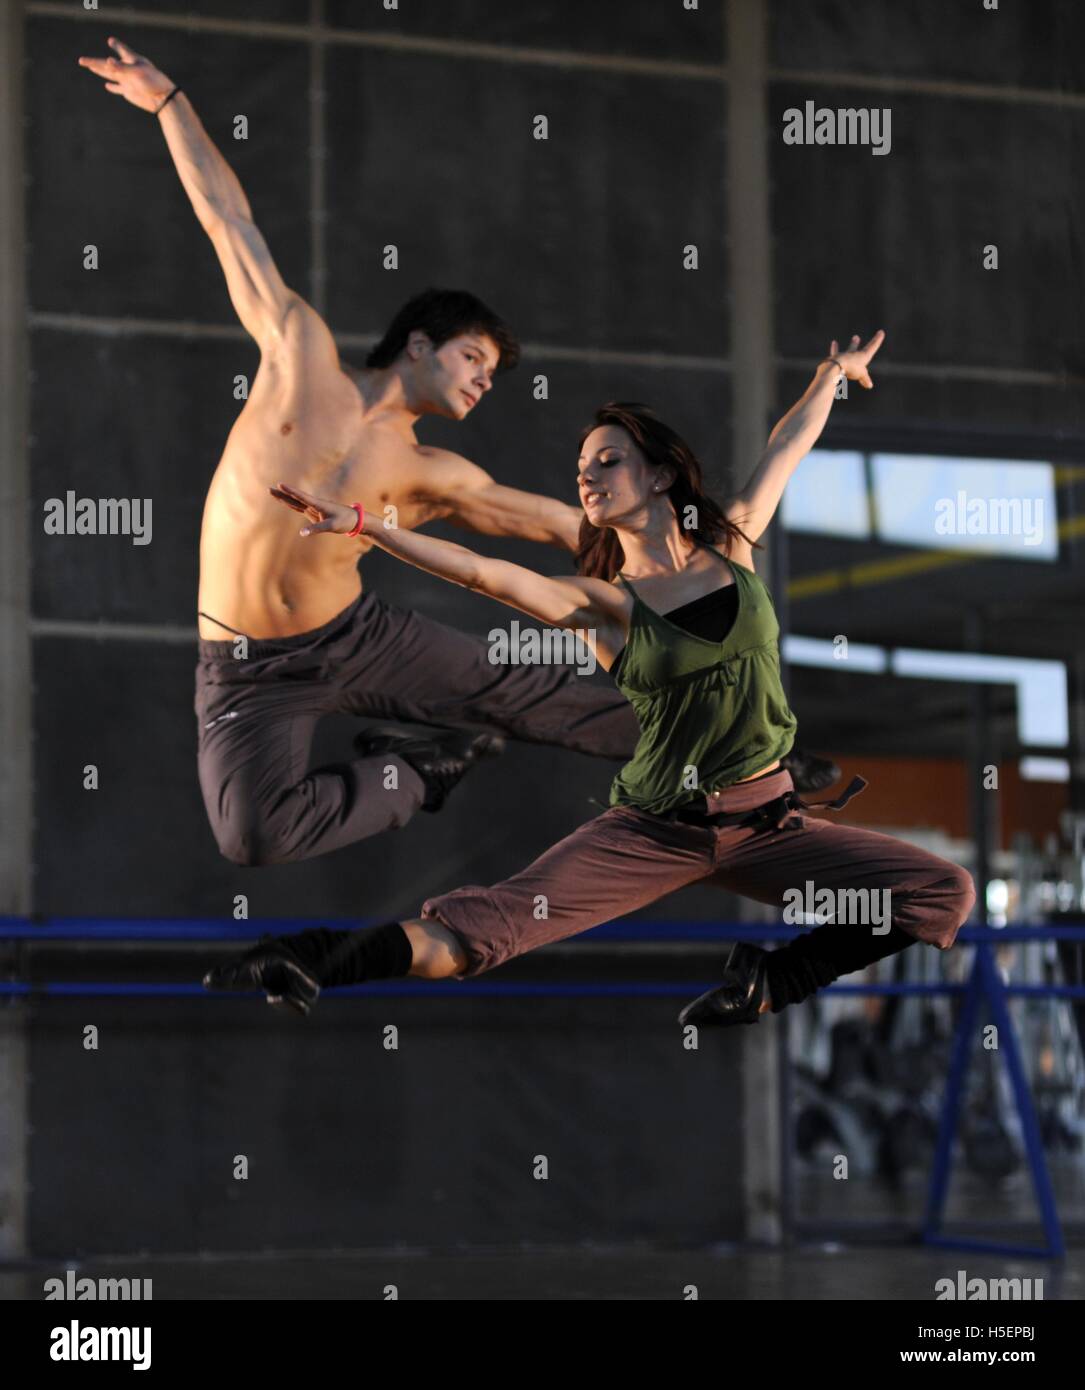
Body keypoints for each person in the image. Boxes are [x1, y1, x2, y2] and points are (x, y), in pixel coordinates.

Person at [78, 37, 837, 867]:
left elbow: (558, 524)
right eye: (473, 359)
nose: (483, 382)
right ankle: (416, 770)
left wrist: (700, 547)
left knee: (530, 694)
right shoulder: (298, 355)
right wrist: (167, 102)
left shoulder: (437, 474)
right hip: (244, 663)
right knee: (254, 837)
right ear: (417, 343)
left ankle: (764, 762)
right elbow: (229, 222)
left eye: (492, 375)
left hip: (356, 634)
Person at [203, 334, 977, 1026]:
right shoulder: (605, 606)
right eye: (580, 470)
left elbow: (786, 446)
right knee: (484, 932)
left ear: (664, 474)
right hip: (655, 831)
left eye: (607, 461)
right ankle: (311, 955)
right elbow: (483, 573)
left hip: (770, 826)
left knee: (943, 891)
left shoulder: (733, 545)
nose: (588, 477)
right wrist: (370, 526)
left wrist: (830, 377)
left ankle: (770, 982)